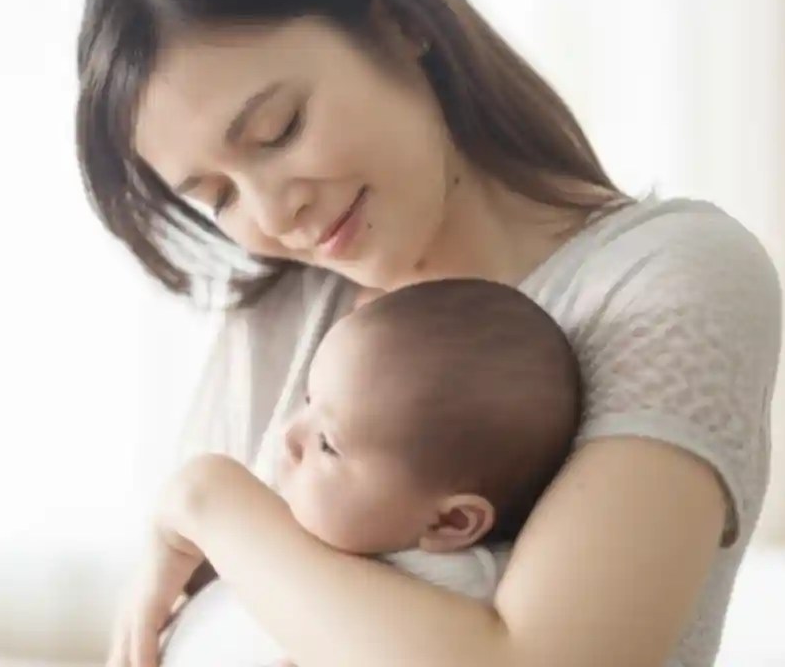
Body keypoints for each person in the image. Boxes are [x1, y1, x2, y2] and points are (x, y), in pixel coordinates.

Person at [76, 0, 782, 665]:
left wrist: (207, 500)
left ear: (402, 21)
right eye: (217, 196)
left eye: (279, 129)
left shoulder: (659, 277)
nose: (273, 212)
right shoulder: (281, 313)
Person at [160, 278, 583, 667]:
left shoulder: (447, 590)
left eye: (328, 444)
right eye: (309, 399)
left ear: (449, 522)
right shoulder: (336, 523)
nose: (290, 435)